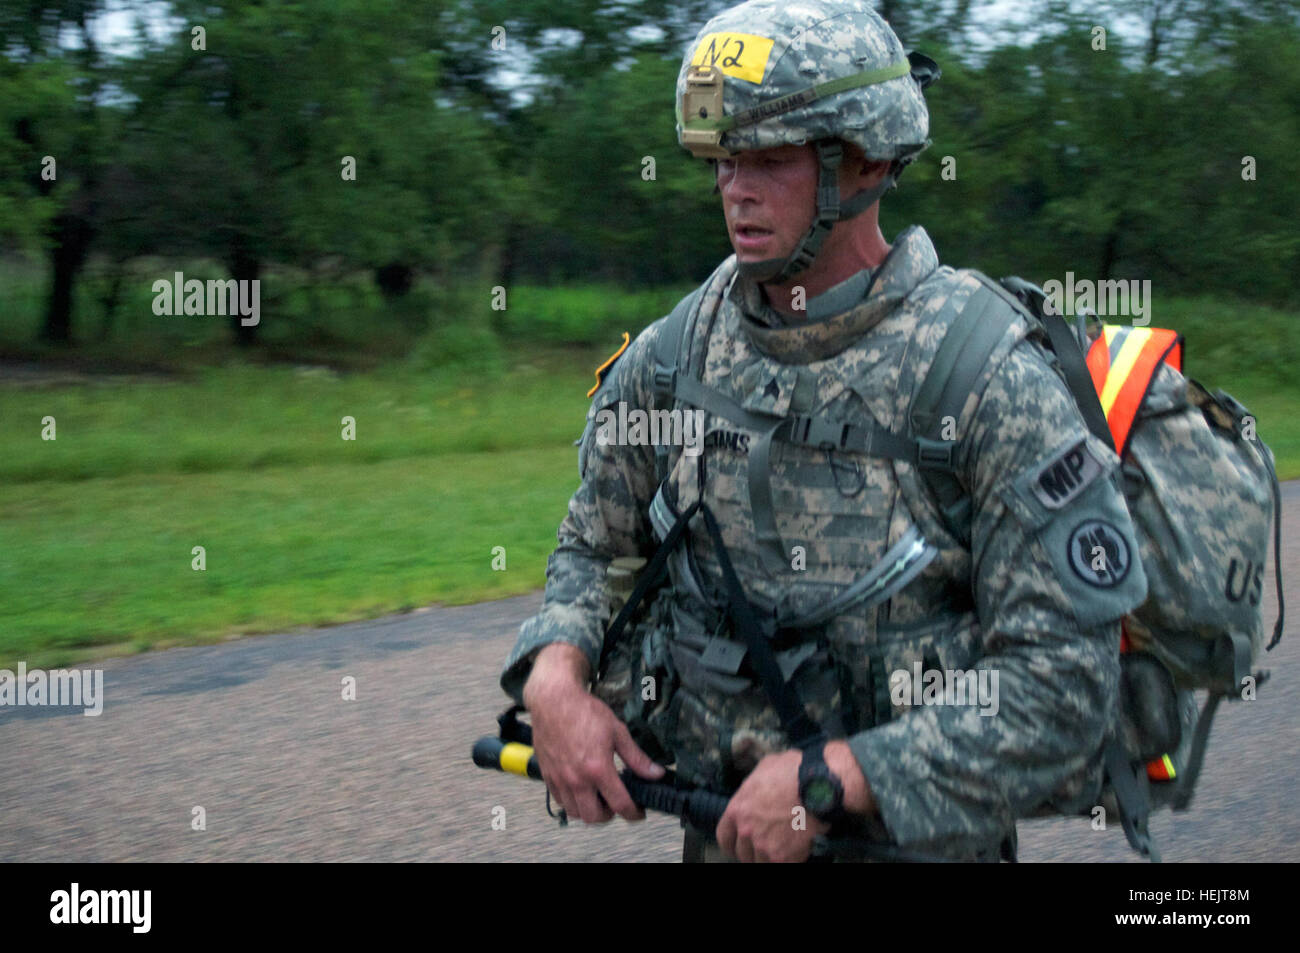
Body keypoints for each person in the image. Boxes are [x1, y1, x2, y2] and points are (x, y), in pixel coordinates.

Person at [499, 0, 1149, 863]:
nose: (736, 188)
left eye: (770, 158)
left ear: (866, 161)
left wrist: (832, 779)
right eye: (723, 159)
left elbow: (1066, 686)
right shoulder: (675, 354)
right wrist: (555, 674)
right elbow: (591, 543)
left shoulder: (983, 373)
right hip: (719, 836)